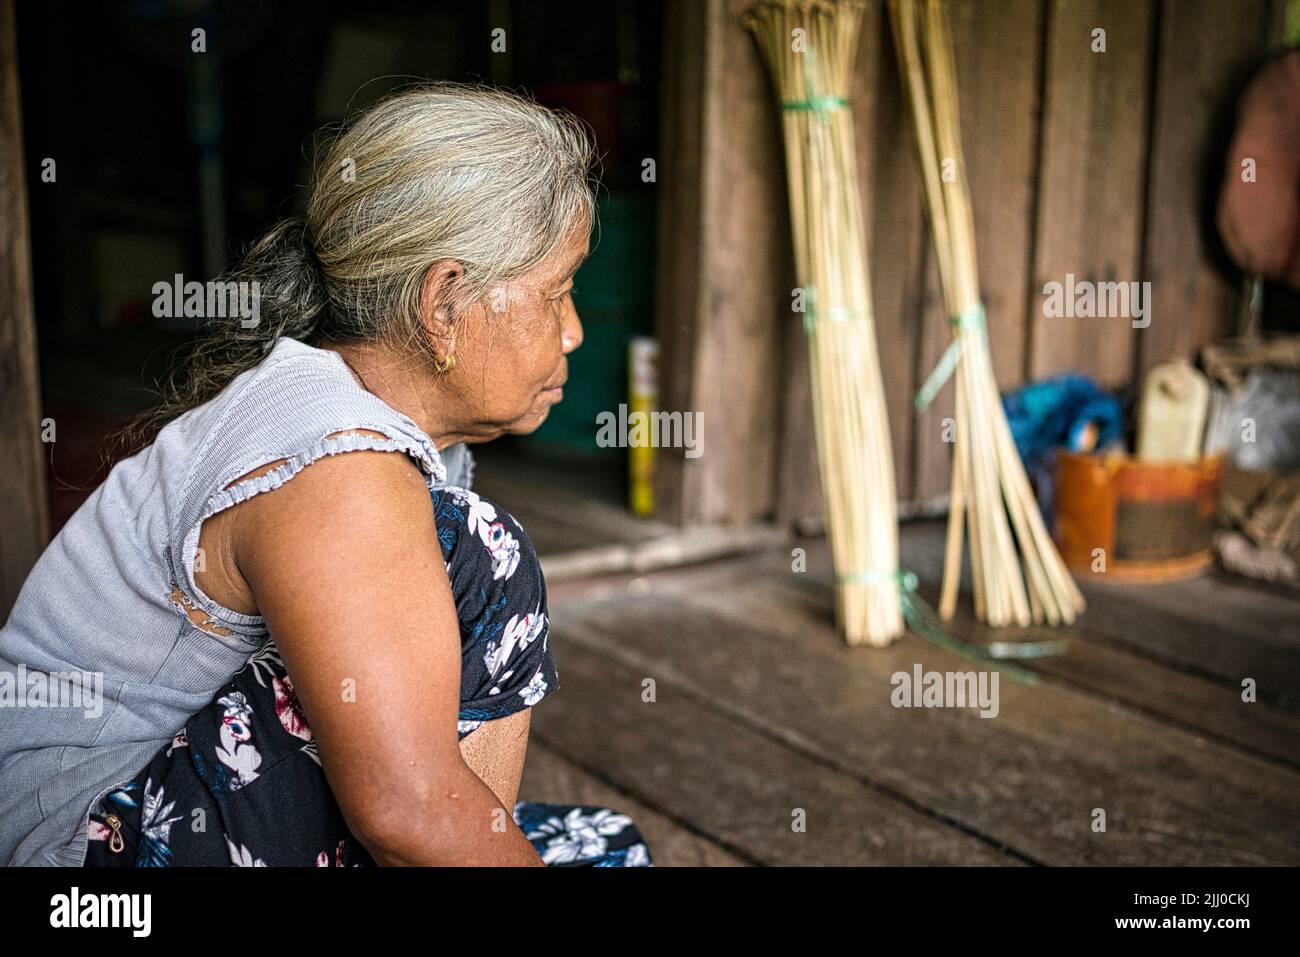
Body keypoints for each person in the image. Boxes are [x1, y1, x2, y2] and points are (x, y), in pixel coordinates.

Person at [0, 81, 651, 868]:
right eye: (558, 291)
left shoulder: (338, 414)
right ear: (444, 301)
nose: (576, 330)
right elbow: (410, 812)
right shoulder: (335, 459)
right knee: (484, 555)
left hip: (140, 823)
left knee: (600, 847)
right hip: (83, 862)